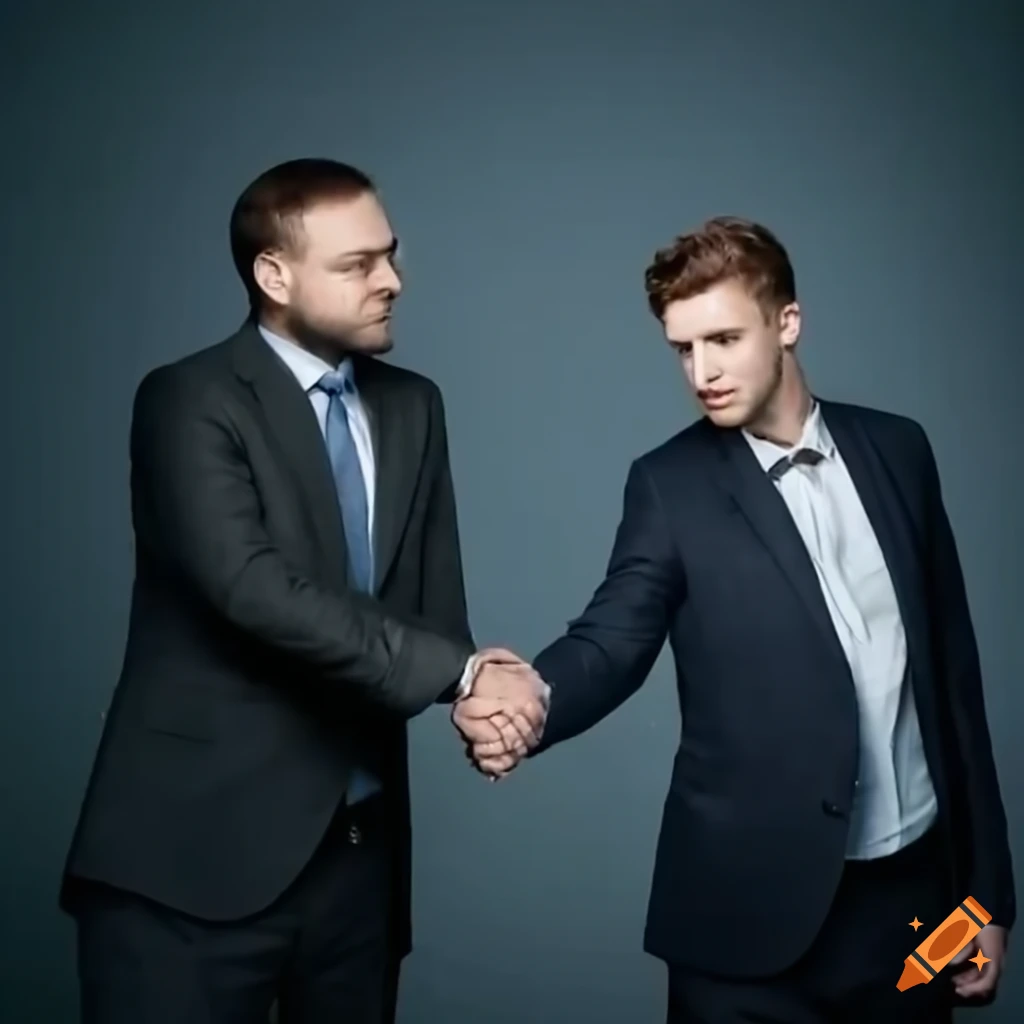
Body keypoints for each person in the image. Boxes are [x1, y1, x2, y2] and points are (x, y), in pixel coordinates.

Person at [455, 217, 1015, 1022]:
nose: (702, 371)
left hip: (913, 910)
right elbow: (612, 638)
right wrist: (529, 700)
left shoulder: (900, 450)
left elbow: (955, 688)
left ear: (787, 323)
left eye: (722, 339)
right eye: (683, 349)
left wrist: (987, 899)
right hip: (747, 930)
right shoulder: (668, 487)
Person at [60, 157, 546, 1024]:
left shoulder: (413, 406)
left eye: (390, 255)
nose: (392, 281)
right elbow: (251, 589)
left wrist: (481, 707)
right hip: (188, 866)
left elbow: (433, 615)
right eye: (358, 265)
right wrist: (466, 677)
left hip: (358, 868)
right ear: (273, 276)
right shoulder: (187, 399)